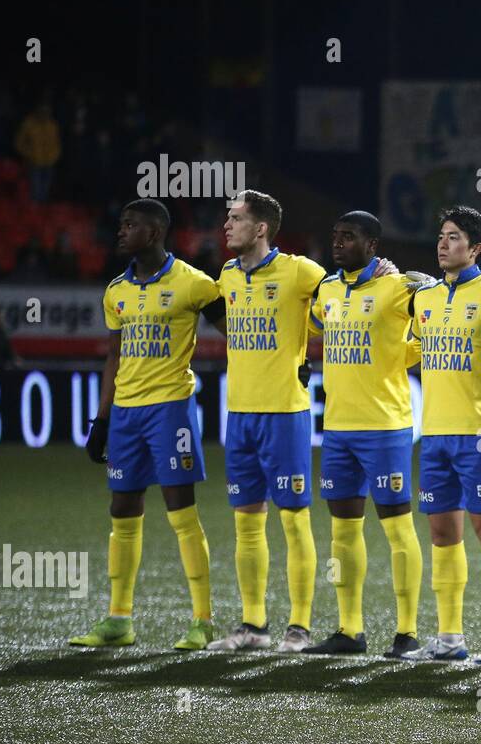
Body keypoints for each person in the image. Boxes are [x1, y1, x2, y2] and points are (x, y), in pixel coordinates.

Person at [73, 198, 223, 650]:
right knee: (122, 511)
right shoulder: (116, 290)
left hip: (170, 409)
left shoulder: (193, 283)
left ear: (154, 232)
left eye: (130, 225)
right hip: (126, 415)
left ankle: (203, 620)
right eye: (121, 224)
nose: (120, 231)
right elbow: (114, 356)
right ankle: (120, 619)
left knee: (181, 512)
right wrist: (102, 418)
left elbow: (239, 332)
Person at [206, 191, 324, 654]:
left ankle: (299, 627)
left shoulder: (299, 271)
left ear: (261, 228)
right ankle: (253, 627)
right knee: (247, 525)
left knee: (295, 521)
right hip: (240, 414)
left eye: (236, 219)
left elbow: (346, 290)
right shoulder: (227, 275)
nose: (226, 226)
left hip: (285, 416)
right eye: (227, 218)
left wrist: (388, 273)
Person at [303, 212, 425, 658]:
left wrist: (415, 279)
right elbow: (308, 323)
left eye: (348, 237)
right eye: (335, 235)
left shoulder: (397, 288)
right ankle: (349, 630)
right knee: (343, 531)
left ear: (373, 244)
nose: (337, 243)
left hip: (385, 428)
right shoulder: (329, 290)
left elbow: (436, 312)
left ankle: (408, 633)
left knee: (397, 528)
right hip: (337, 429)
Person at [406, 206, 481, 665]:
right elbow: (413, 349)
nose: (443, 243)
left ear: (475, 248)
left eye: (453, 237)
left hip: (480, 434)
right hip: (434, 432)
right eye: (441, 236)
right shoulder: (426, 299)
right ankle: (450, 637)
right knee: (441, 535)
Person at [15, 99, 61, 205]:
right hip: (34, 162)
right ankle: (34, 214)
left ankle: (42, 215)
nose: (45, 113)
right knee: (35, 192)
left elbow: (57, 142)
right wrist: (29, 153)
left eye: (47, 110)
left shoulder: (52, 125)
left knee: (45, 192)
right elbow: (19, 142)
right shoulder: (29, 123)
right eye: (42, 110)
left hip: (50, 162)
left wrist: (55, 155)